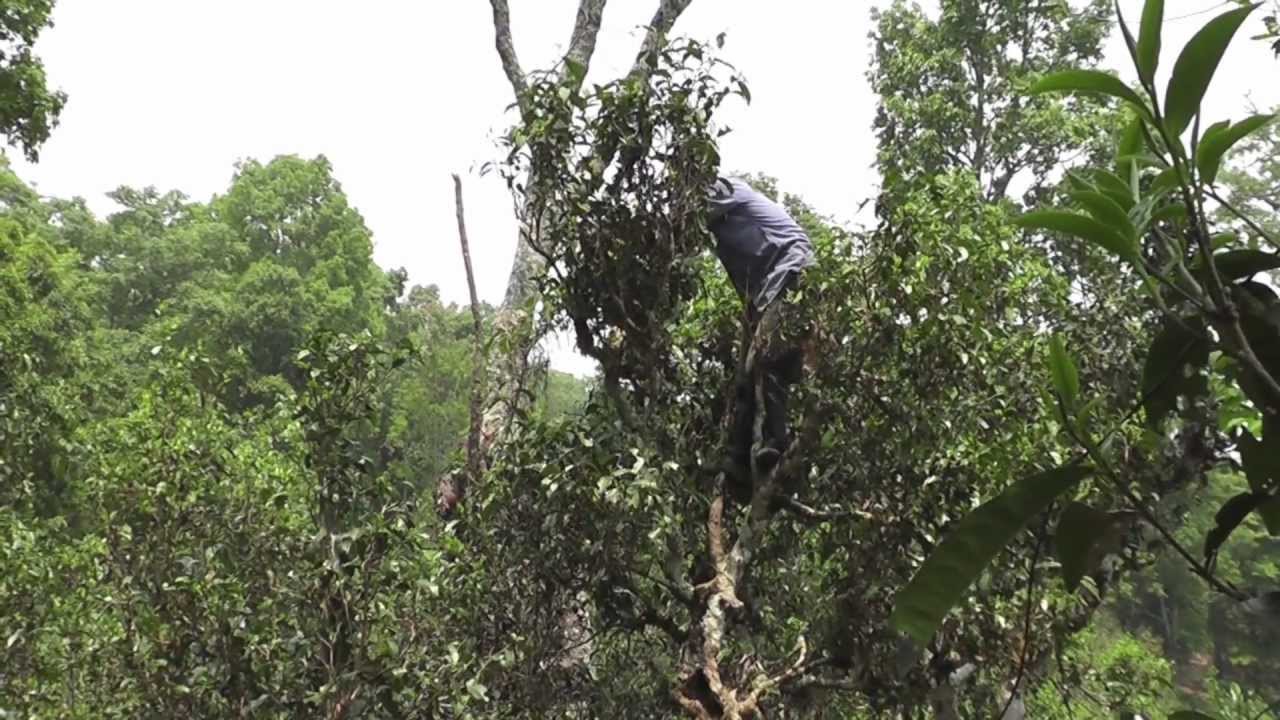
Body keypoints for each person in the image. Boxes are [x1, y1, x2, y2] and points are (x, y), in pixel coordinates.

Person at [705, 176, 815, 478]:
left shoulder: (727, 189)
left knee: (766, 362)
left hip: (792, 269)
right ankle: (740, 458)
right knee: (753, 373)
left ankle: (774, 444)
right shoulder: (726, 241)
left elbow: (690, 211)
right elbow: (747, 293)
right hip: (772, 287)